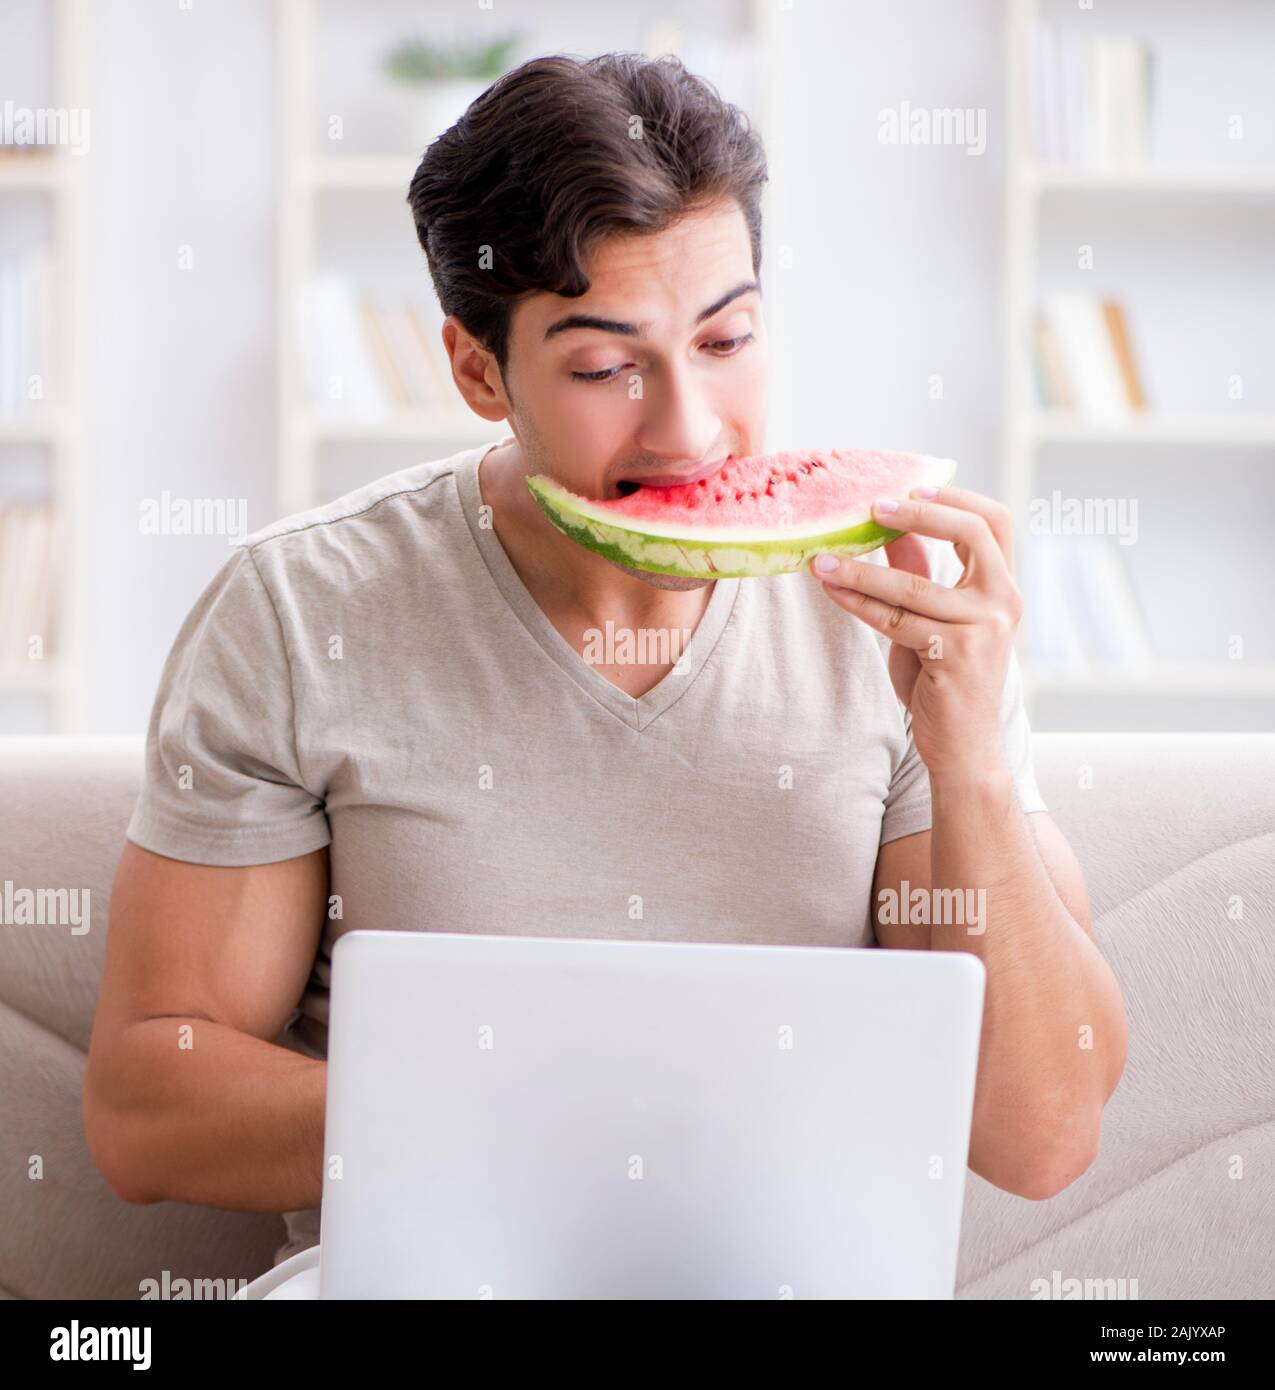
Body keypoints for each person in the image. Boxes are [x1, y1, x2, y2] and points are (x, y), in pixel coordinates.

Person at [83, 53, 1127, 1275]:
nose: (689, 429)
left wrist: (974, 770)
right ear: (479, 370)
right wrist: (578, 1118)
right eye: (603, 366)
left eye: (727, 339)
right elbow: (149, 1108)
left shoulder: (898, 616)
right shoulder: (302, 608)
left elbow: (1041, 1134)